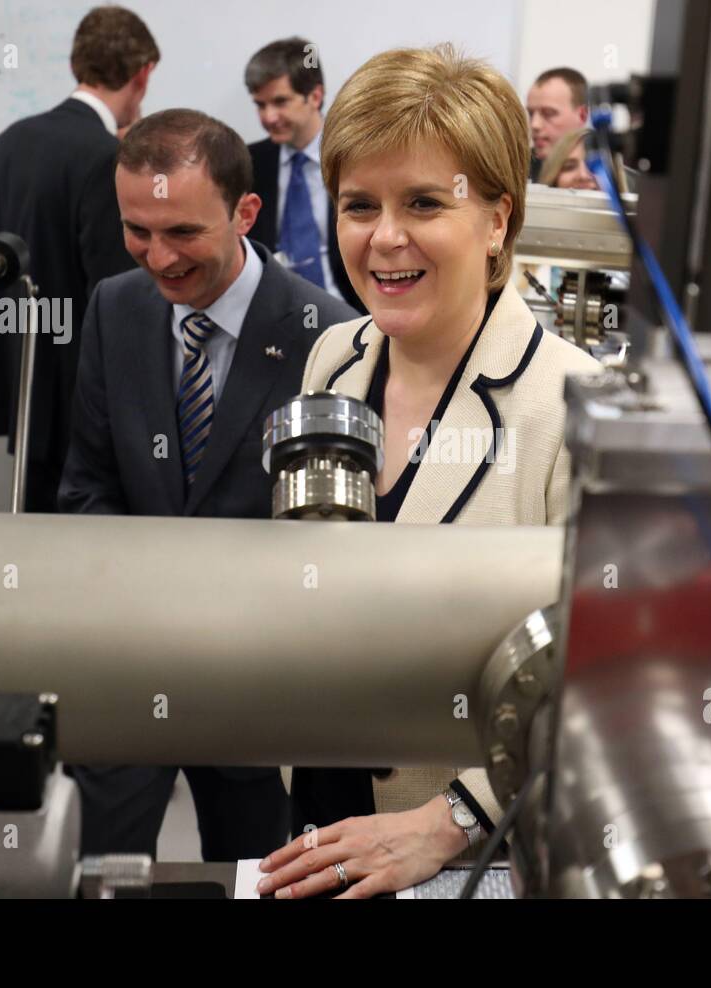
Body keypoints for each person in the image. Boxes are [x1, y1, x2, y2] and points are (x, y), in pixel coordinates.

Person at [257, 45, 602, 899]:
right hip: (326, 805)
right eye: (358, 205)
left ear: (496, 220)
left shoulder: (573, 406)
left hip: (482, 848)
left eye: (422, 203)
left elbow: (608, 675)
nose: (384, 238)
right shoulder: (336, 358)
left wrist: (449, 820)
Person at [58, 108, 356, 860]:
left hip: (257, 687)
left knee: (255, 873)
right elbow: (87, 483)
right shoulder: (113, 308)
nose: (157, 259)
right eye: (137, 230)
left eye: (183, 233)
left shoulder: (330, 335)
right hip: (130, 660)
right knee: (101, 868)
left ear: (245, 213)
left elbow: (340, 546)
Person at [0, 6, 159, 512]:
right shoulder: (103, 155)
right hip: (78, 388)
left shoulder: (10, 141)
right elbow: (115, 288)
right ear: (142, 75)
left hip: (21, 364)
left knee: (33, 523)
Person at [243, 37, 363, 311]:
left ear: (315, 96)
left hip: (351, 312)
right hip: (275, 315)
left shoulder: (354, 157)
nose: (269, 117)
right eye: (260, 105)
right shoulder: (250, 162)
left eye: (280, 102)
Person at [525, 67, 589, 180]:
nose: (534, 125)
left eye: (548, 113)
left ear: (582, 116)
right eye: (531, 114)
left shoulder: (607, 177)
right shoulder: (516, 172)